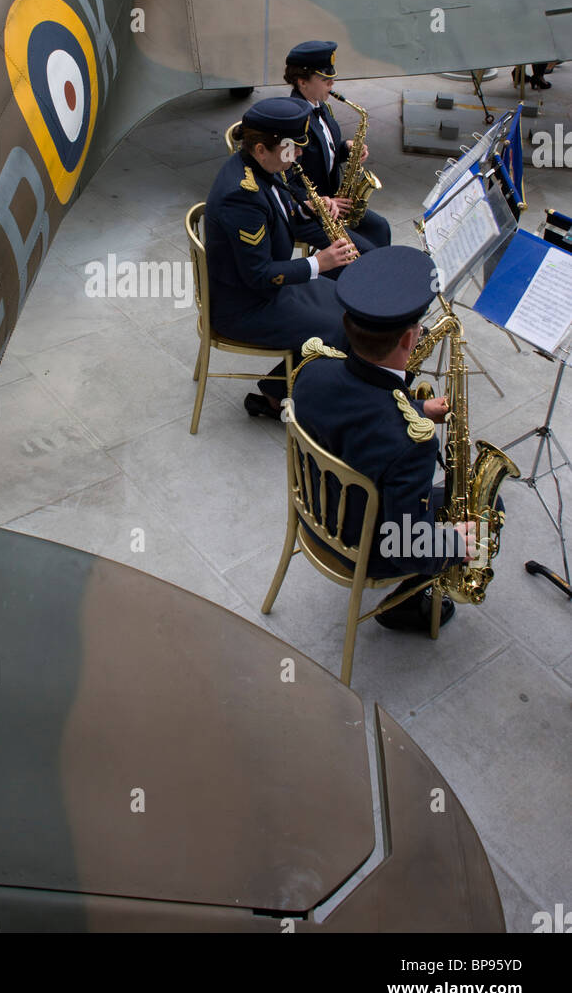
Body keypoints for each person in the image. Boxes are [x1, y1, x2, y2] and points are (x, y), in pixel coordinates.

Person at [292, 245, 479, 632]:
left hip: (314, 517)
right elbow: (406, 547)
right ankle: (405, 608)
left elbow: (361, 402)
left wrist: (414, 407)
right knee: (482, 506)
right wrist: (455, 545)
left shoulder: (313, 369)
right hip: (365, 548)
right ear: (410, 341)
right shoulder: (412, 445)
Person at [204, 96, 354, 423]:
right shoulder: (240, 196)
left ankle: (277, 388)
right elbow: (259, 274)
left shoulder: (264, 165)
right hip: (245, 305)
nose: (300, 154)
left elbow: (278, 213)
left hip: (265, 290)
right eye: (292, 148)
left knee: (348, 306)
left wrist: (305, 207)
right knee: (337, 327)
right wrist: (320, 263)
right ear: (260, 149)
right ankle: (294, 400)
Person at [283, 40, 391, 255]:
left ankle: (374, 279)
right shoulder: (291, 122)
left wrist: (346, 149)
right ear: (302, 82)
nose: (332, 84)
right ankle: (347, 282)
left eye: (332, 79)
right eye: (324, 80)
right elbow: (285, 181)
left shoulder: (321, 107)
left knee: (381, 228)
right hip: (312, 211)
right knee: (364, 253)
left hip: (335, 200)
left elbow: (321, 153)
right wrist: (325, 203)